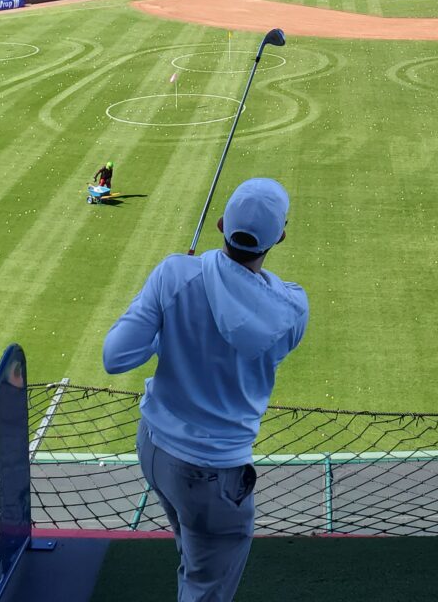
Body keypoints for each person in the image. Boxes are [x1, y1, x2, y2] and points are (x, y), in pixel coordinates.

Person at [103, 179, 308, 602]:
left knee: (194, 553)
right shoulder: (293, 307)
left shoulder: (174, 274)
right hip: (214, 473)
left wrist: (169, 314)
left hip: (155, 451)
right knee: (206, 587)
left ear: (219, 224)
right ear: (281, 236)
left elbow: (117, 356)